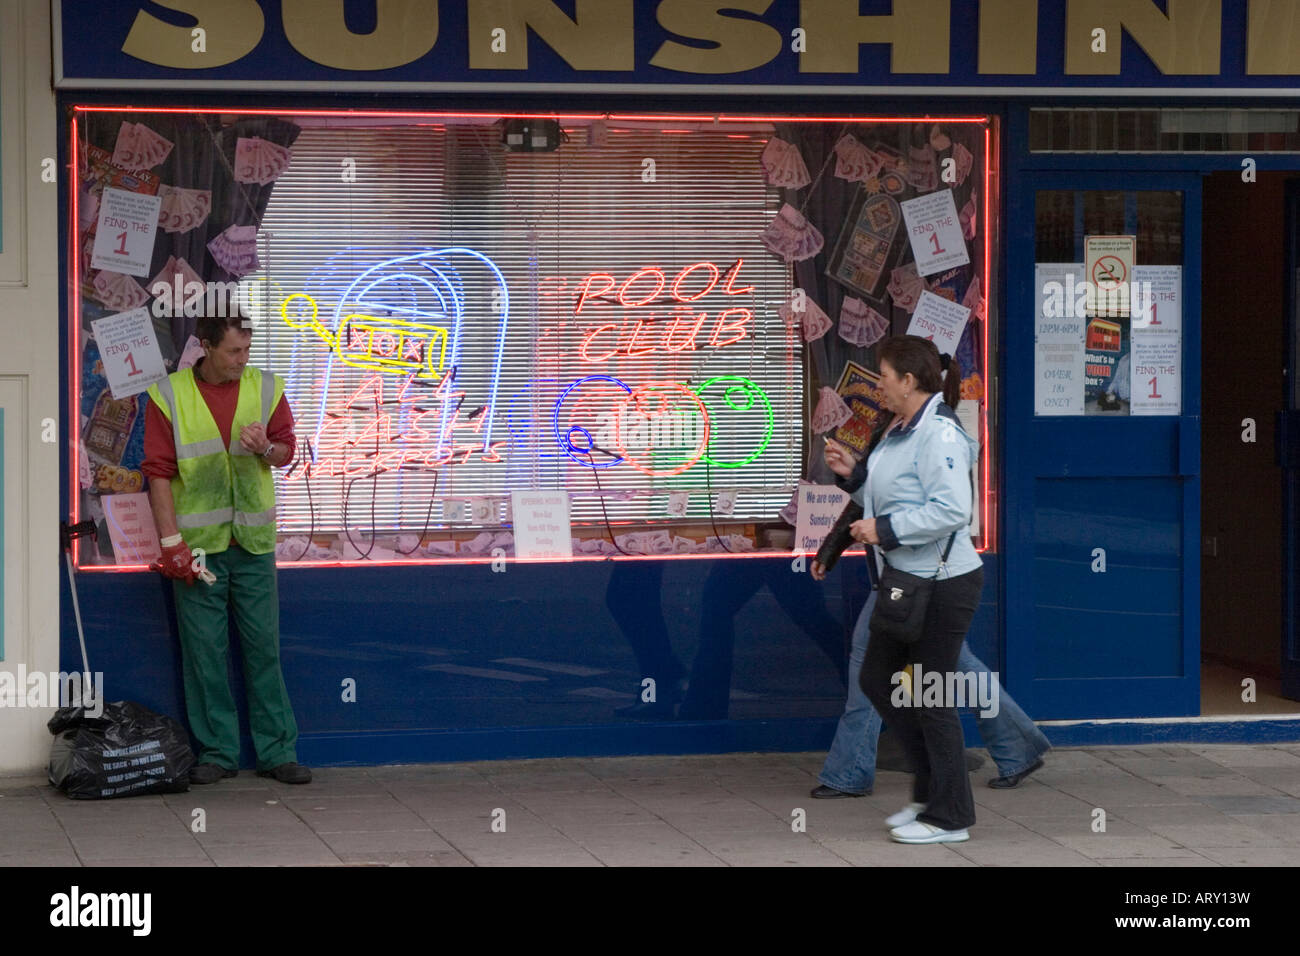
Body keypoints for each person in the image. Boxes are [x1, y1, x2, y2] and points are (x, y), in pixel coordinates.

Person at [143, 312, 311, 785]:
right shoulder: (169, 394)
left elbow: (285, 453)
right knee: (204, 653)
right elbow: (157, 472)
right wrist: (171, 543)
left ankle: (278, 753)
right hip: (197, 548)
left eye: (247, 351)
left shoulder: (266, 388)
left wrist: (265, 449)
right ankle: (217, 752)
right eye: (233, 351)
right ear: (205, 347)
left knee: (264, 649)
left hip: (253, 545)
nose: (242, 360)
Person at [848, 335, 985, 844]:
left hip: (945, 582)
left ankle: (951, 817)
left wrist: (883, 529)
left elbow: (953, 510)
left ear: (908, 381)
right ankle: (928, 793)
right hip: (908, 580)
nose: (878, 384)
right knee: (879, 677)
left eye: (883, 376)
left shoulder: (939, 433)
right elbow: (896, 490)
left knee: (930, 692)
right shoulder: (901, 427)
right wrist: (854, 482)